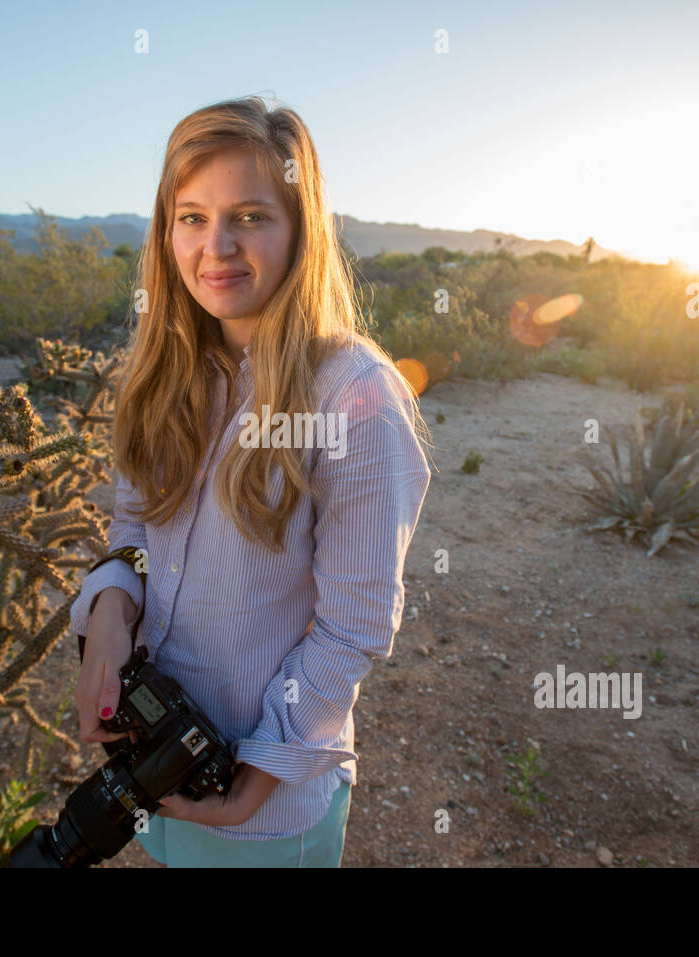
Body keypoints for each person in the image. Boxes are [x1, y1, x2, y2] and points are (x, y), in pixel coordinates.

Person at [69, 95, 432, 867]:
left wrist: (255, 778)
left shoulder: (354, 395)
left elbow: (354, 627)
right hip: (157, 765)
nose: (217, 246)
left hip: (265, 810)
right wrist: (107, 609)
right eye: (192, 217)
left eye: (251, 216)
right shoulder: (164, 371)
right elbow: (133, 527)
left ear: (300, 229)